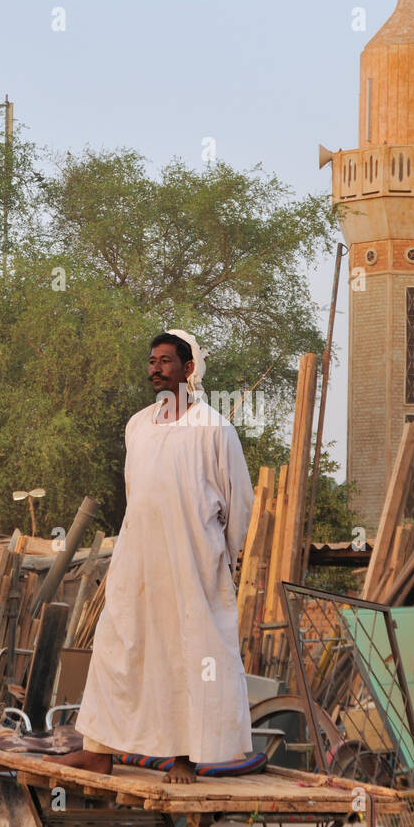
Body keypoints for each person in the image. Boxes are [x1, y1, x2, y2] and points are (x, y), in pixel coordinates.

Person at [64, 329, 254, 784]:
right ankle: (98, 751)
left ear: (189, 370)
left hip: (193, 565)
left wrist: (223, 561)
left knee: (187, 654)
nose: (155, 368)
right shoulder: (137, 426)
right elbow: (138, 494)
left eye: (166, 361)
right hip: (139, 561)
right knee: (119, 646)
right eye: (151, 361)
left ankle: (183, 758)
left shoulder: (214, 429)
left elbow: (238, 503)